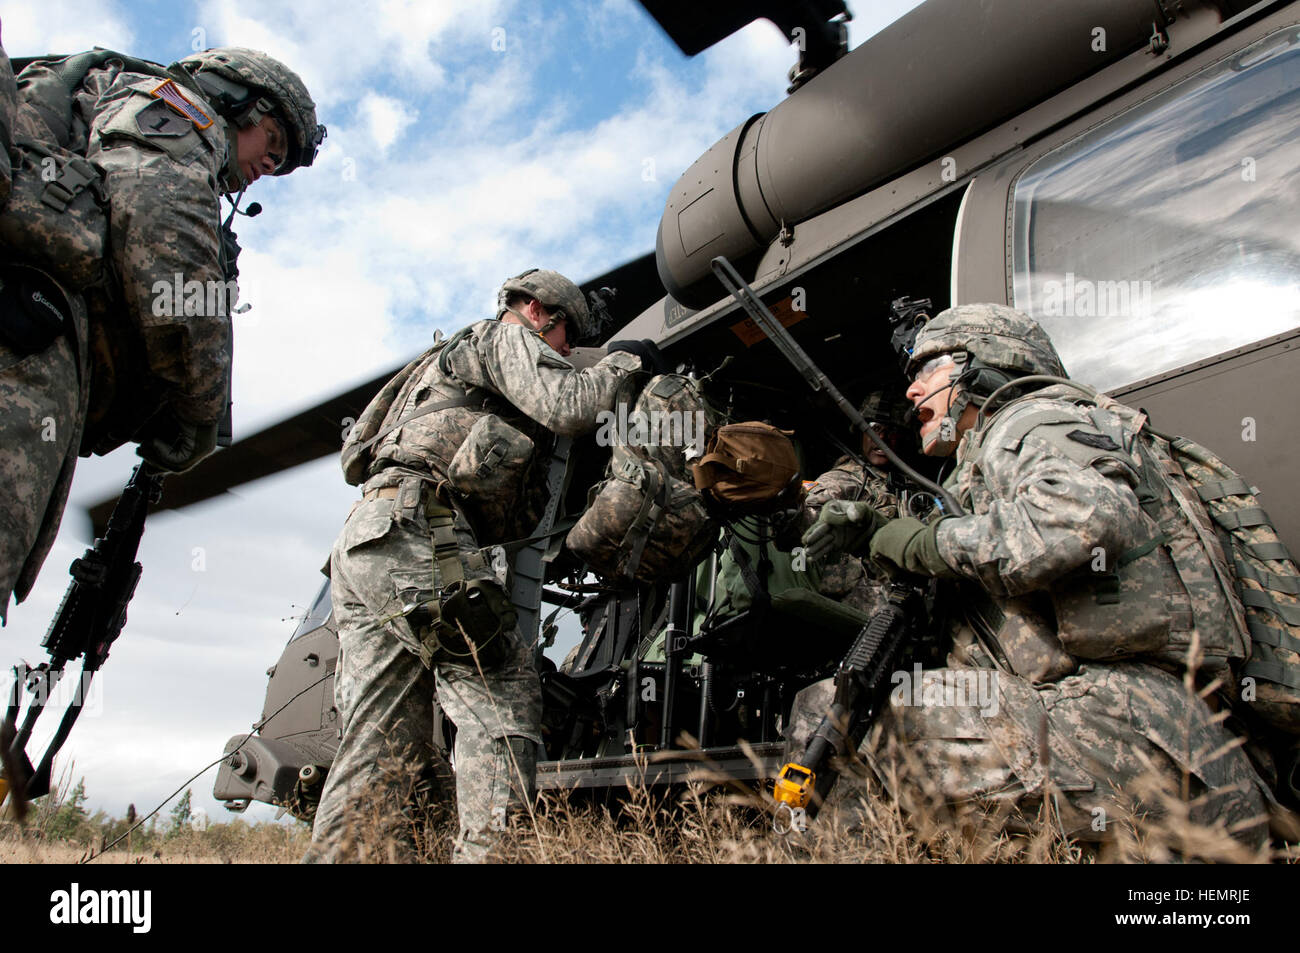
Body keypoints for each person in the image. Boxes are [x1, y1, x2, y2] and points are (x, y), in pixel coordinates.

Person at [795, 303, 1269, 847]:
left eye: (927, 371)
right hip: (1168, 745)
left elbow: (1082, 519)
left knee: (836, 719)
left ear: (983, 368)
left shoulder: (1026, 419)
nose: (911, 393)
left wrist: (929, 542)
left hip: (1134, 725)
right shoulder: (1005, 452)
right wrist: (885, 535)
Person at [309, 269, 656, 863]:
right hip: (421, 530)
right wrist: (625, 361)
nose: (567, 352)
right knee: (503, 695)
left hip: (369, 537)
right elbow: (569, 405)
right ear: (536, 308)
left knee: (378, 740)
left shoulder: (433, 366)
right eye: (567, 335)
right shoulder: (503, 336)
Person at [0, 42, 324, 624]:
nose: (269, 166)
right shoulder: (174, 108)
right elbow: (166, 232)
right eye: (272, 144)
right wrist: (200, 407)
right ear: (234, 101)